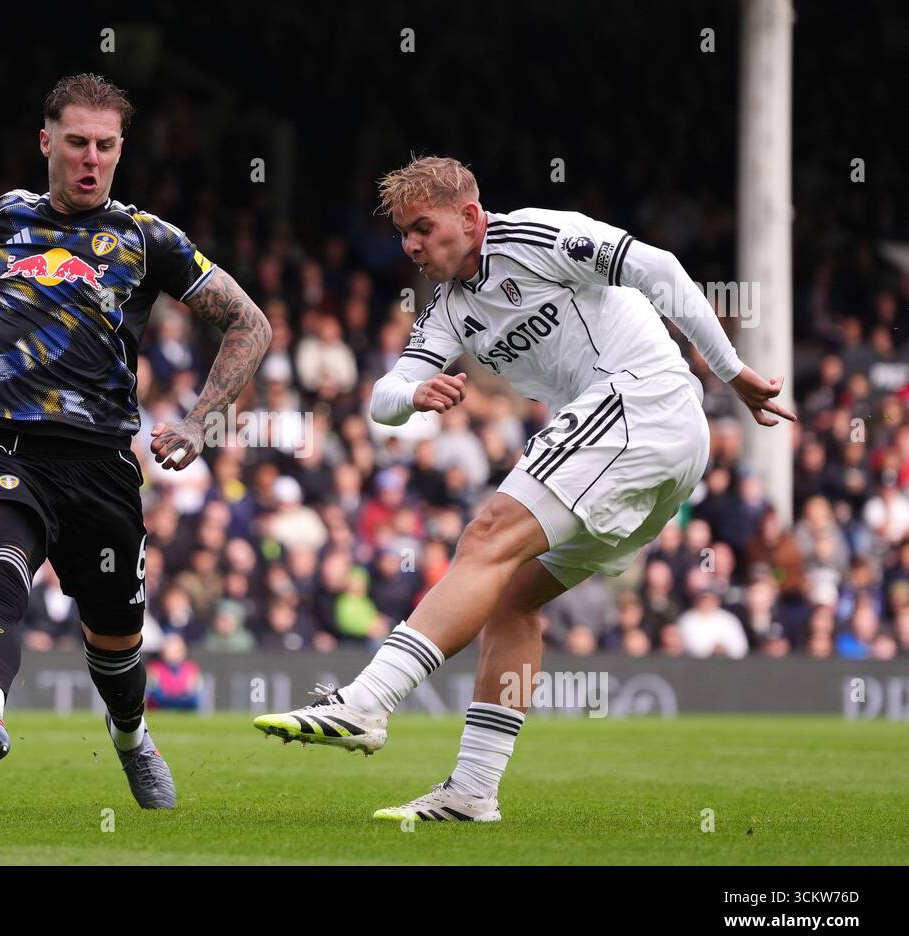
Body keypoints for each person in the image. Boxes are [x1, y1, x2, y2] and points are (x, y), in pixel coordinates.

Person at [254, 155, 792, 822]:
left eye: (423, 226)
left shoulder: (536, 237)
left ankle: (366, 701)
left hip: (640, 400)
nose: (413, 245)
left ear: (471, 217)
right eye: (403, 234)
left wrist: (731, 369)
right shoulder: (449, 310)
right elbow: (382, 399)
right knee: (511, 596)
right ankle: (474, 790)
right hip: (650, 447)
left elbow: (659, 270)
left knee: (484, 537)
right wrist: (415, 393)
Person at [0, 74, 270, 809]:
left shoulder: (146, 237)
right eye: (77, 143)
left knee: (116, 643)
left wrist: (198, 421)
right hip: (9, 447)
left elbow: (250, 322)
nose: (91, 159)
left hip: (102, 466)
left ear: (120, 149)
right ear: (46, 142)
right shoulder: (3, 218)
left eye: (106, 146)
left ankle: (131, 738)